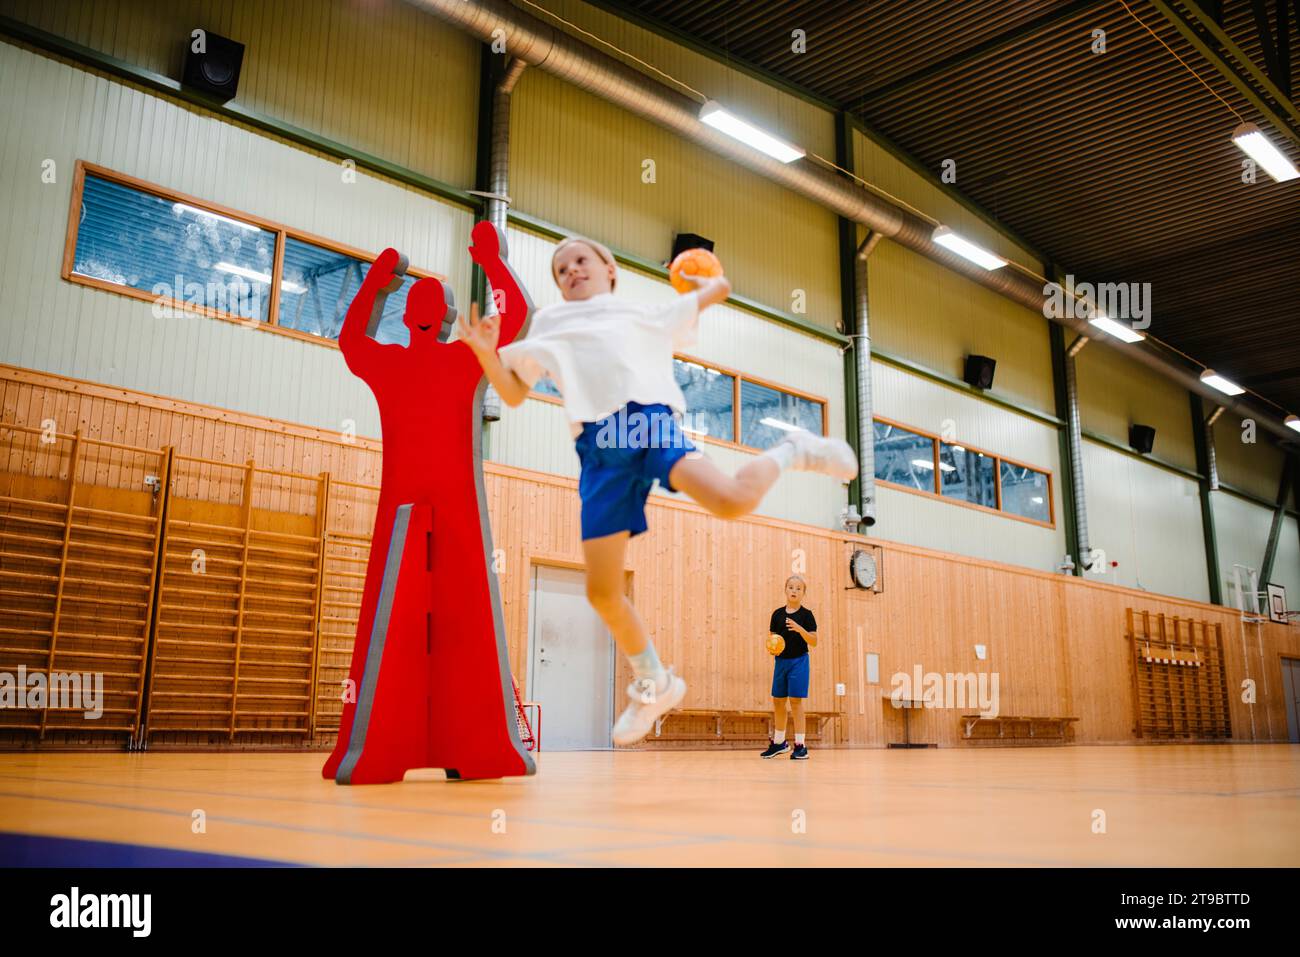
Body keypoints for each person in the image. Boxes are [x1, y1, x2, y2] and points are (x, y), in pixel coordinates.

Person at [458, 234, 856, 745]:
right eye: (560, 269)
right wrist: (487, 355)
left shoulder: (638, 314)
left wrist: (705, 280)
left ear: (609, 270)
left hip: (646, 425)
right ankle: (655, 680)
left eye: (581, 260)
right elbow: (513, 393)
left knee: (730, 500)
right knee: (601, 591)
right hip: (598, 452)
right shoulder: (549, 327)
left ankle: (796, 450)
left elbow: (718, 290)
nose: (571, 270)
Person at [761, 575, 817, 760]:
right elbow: (772, 637)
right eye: (791, 587)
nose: (794, 590)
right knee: (778, 700)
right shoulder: (777, 614)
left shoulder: (807, 615)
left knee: (796, 701)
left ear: (803, 593)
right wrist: (772, 648)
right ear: (785, 590)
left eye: (798, 588)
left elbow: (814, 641)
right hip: (781, 662)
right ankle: (779, 743)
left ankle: (800, 746)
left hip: (799, 661)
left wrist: (799, 628)